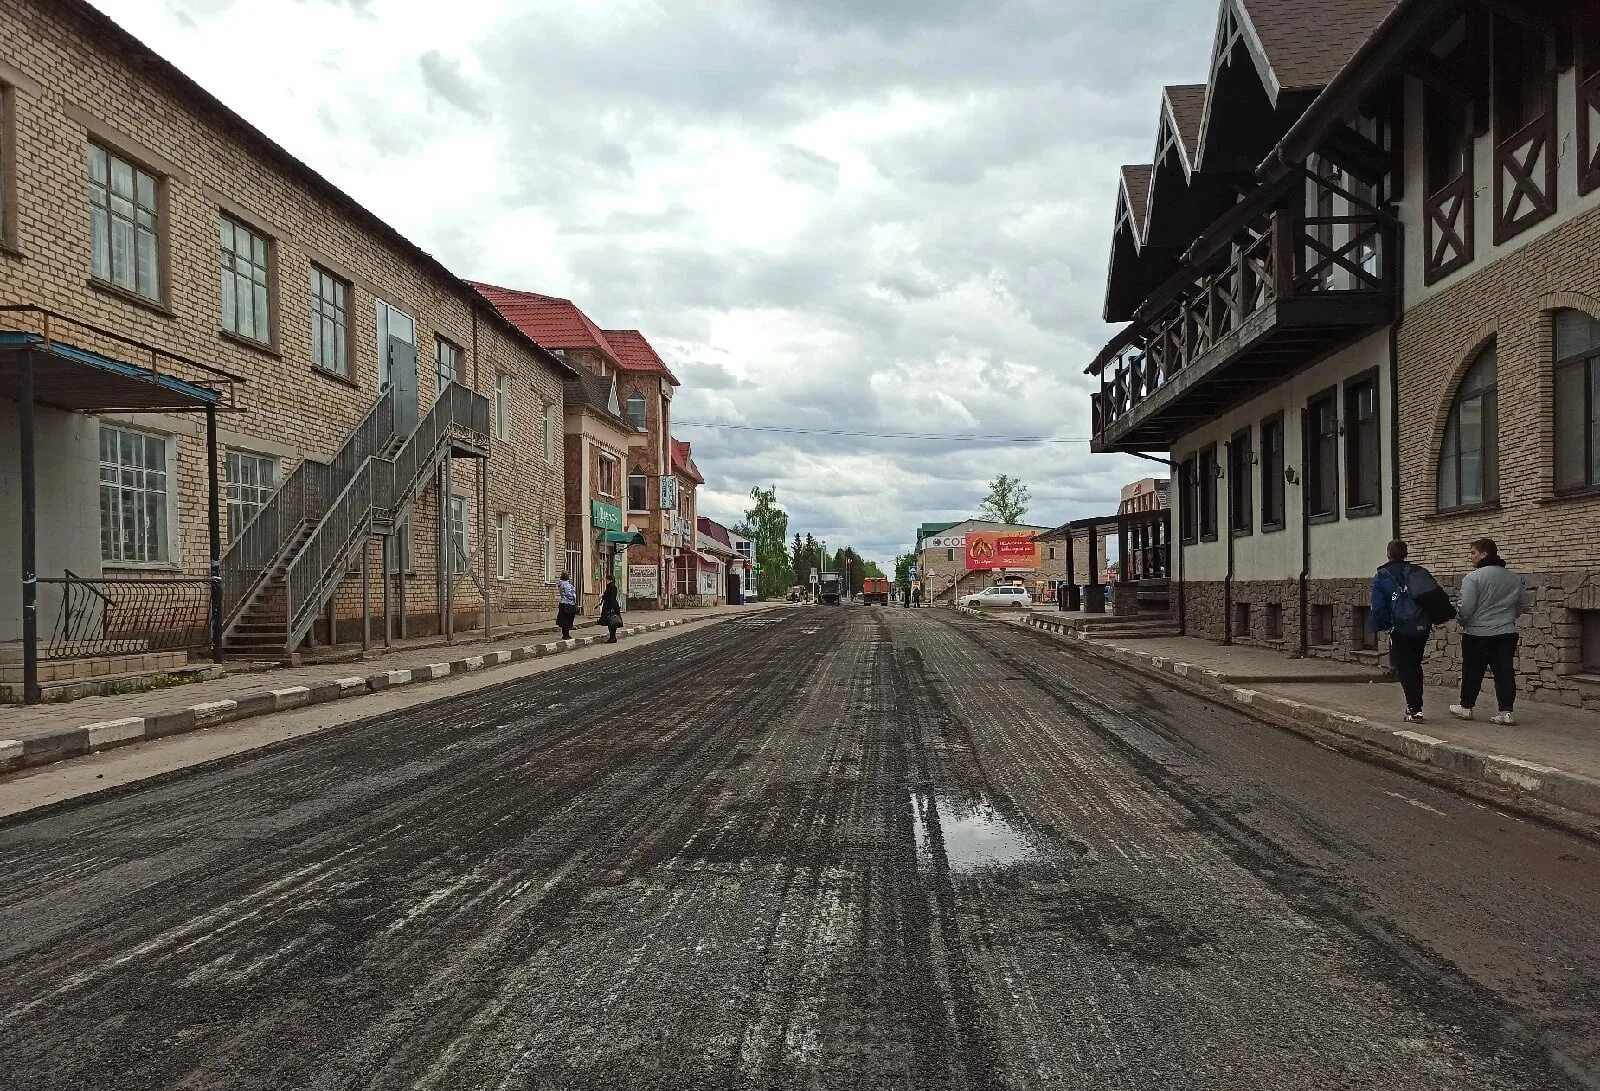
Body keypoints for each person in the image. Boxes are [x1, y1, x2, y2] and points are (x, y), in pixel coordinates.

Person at [1450, 537, 1529, 726]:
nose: (1470, 557)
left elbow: (1466, 609)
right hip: (1506, 632)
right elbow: (1525, 604)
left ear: (1484, 554)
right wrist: (1508, 616)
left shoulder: (1473, 578)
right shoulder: (1513, 577)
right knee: (1504, 672)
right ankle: (1506, 712)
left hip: (1477, 633)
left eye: (1473, 553)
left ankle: (1466, 707)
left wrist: (1462, 621)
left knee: (1472, 671)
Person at [1370, 539, 1450, 724]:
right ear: (1405, 554)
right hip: (1421, 626)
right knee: (1415, 664)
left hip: (1399, 628)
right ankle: (1415, 706)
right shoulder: (1418, 572)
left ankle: (1415, 709)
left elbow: (1379, 606)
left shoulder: (1382, 576)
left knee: (1406, 667)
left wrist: (1381, 626)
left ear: (1388, 554)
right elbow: (1433, 596)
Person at [599, 578, 623, 643]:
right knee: (612, 622)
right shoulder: (612, 587)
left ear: (610, 580)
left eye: (607, 580)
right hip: (612, 606)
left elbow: (611, 597)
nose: (606, 581)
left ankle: (612, 637)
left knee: (611, 622)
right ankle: (613, 637)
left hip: (610, 607)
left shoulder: (611, 587)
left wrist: (603, 597)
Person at [556, 570, 577, 640]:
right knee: (567, 619)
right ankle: (566, 635)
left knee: (564, 620)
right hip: (568, 603)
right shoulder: (566, 584)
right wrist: (574, 596)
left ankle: (565, 634)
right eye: (568, 575)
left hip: (563, 603)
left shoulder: (561, 583)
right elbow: (569, 594)